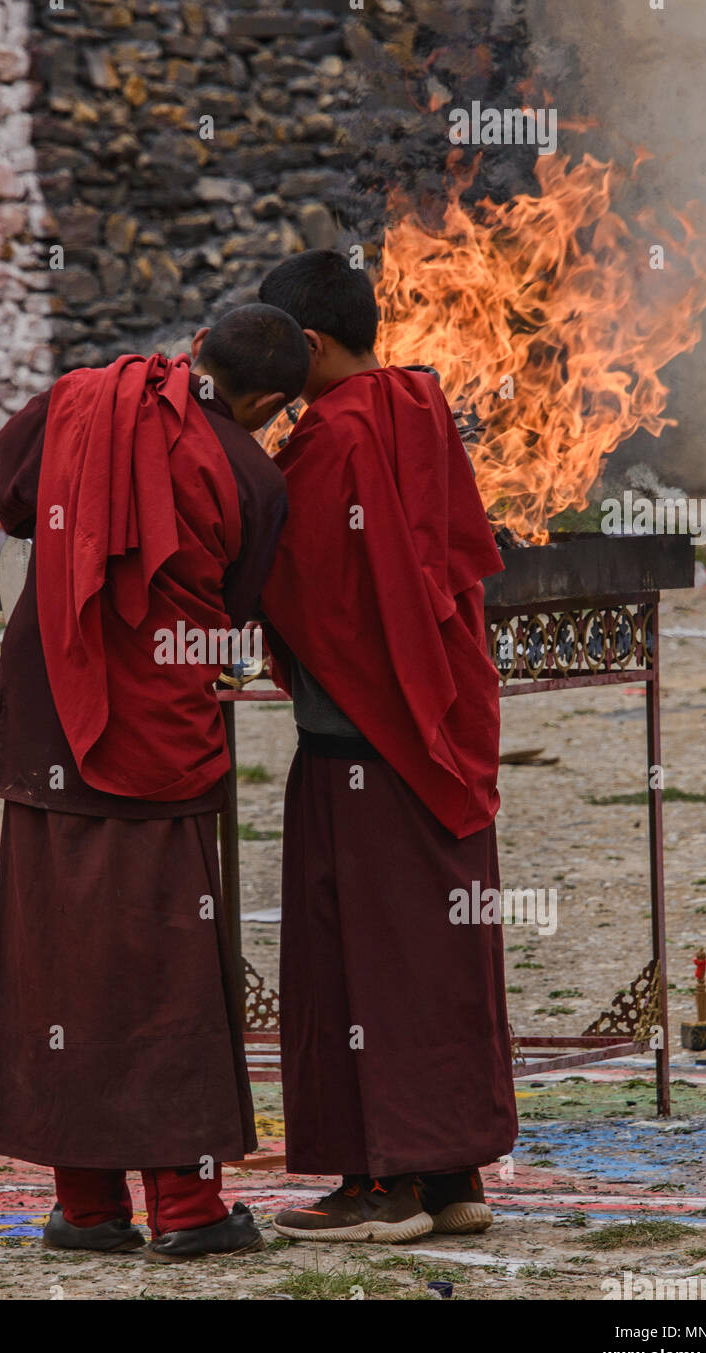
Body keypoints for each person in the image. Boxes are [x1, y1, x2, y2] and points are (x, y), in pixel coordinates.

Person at [0, 306, 308, 1261]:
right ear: (271, 402)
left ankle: (87, 1206)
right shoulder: (253, 473)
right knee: (167, 972)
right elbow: (237, 611)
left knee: (60, 965)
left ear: (196, 349)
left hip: (47, 720)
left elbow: (11, 495)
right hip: (155, 736)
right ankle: (189, 1211)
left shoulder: (80, 400)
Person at [256, 249, 518, 1243]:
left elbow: (302, 584)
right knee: (435, 953)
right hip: (438, 728)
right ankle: (452, 1175)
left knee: (362, 956)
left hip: (359, 746)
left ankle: (384, 1184)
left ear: (311, 346)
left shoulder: (335, 438)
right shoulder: (416, 408)